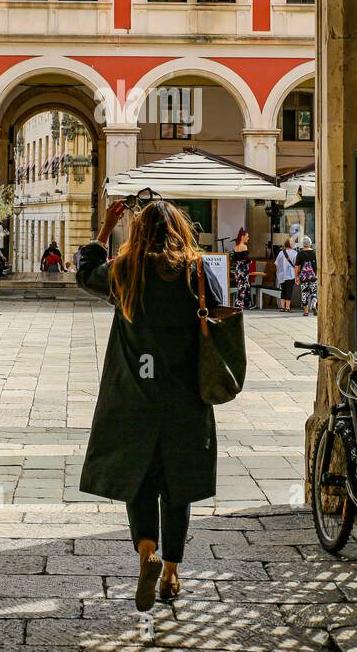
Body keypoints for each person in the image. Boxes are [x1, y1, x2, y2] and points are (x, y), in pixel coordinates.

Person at [77, 198, 224, 611]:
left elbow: (86, 274)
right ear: (180, 229)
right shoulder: (195, 272)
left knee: (139, 479)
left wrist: (106, 229)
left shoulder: (125, 271)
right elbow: (218, 313)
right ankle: (172, 573)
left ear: (138, 233)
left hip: (134, 397)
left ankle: (147, 551)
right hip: (185, 398)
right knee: (178, 485)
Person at [295, 236, 318, 316]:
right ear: (310, 243)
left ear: (303, 244)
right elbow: (318, 265)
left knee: (304, 293)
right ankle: (314, 305)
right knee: (314, 292)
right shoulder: (314, 252)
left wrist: (296, 277)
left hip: (303, 277)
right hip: (313, 276)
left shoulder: (300, 253)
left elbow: (297, 266)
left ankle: (305, 312)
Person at [274, 238, 298, 312]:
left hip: (282, 275)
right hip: (291, 275)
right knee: (289, 291)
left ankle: (282, 307)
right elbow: (296, 265)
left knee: (283, 290)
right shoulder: (295, 253)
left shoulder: (281, 252)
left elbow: (276, 263)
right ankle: (287, 308)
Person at [231, 227, 253, 310]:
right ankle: (239, 303)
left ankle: (248, 304)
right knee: (243, 286)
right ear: (242, 236)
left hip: (238, 268)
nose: (248, 238)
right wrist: (250, 261)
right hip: (243, 268)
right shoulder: (244, 246)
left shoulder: (236, 246)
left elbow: (234, 258)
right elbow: (246, 258)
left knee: (245, 285)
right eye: (247, 236)